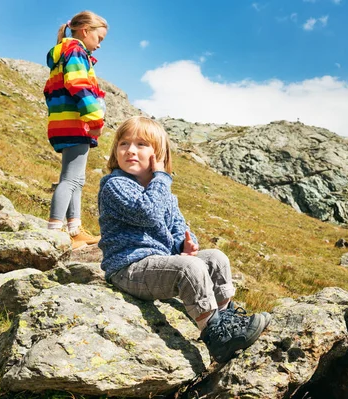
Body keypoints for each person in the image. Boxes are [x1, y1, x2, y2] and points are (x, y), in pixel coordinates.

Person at [98, 116, 271, 362]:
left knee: (215, 258)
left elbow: (179, 228)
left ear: (158, 154)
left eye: (141, 144)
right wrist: (161, 178)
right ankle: (216, 336)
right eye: (124, 143)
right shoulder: (115, 185)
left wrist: (186, 244)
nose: (130, 150)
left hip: (156, 264)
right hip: (128, 269)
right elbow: (148, 213)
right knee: (191, 268)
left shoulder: (164, 194)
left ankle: (228, 320)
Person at [43, 10, 108, 249]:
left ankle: (74, 230)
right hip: (75, 123)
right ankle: (54, 231)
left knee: (75, 179)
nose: (99, 45)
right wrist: (95, 121)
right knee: (71, 179)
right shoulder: (76, 52)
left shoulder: (63, 53)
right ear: (85, 31)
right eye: (99, 39)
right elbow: (79, 86)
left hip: (62, 123)